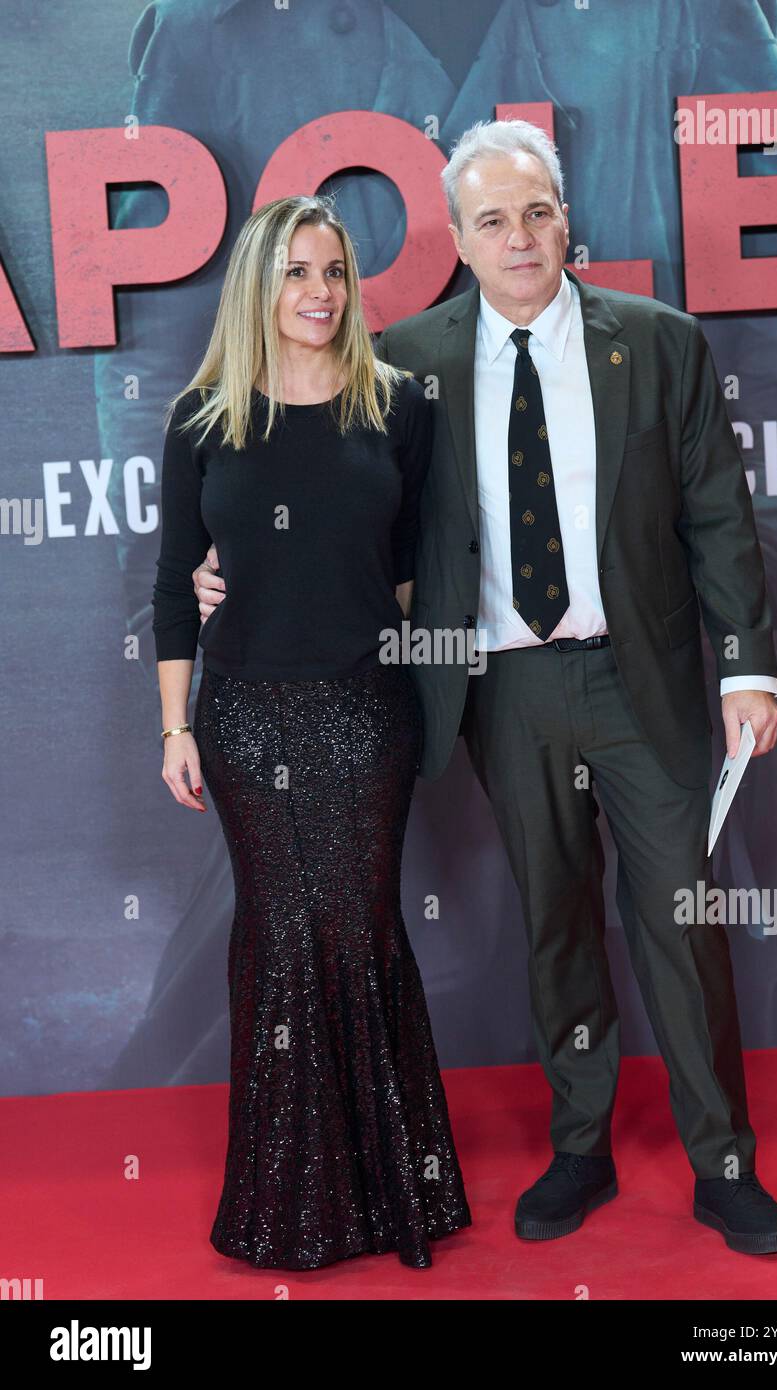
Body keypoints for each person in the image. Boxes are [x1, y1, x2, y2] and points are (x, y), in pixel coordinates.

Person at [198, 119, 777, 1256]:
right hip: (503, 692)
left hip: (645, 680)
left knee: (679, 919)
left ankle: (722, 1163)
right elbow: (336, 496)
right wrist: (232, 561)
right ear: (458, 242)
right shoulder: (408, 363)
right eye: (490, 220)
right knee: (553, 924)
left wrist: (747, 668)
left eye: (535, 212)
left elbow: (717, 515)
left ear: (565, 222)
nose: (517, 237)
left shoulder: (658, 343)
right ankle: (581, 1150)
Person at [152, 192, 471, 1271]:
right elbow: (168, 587)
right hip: (242, 718)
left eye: (332, 271)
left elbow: (413, 563)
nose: (319, 291)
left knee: (362, 931)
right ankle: (290, 1203)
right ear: (259, 283)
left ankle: (392, 1193)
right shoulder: (203, 419)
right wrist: (172, 729)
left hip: (363, 713)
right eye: (295, 271)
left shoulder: (396, 408)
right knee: (282, 941)